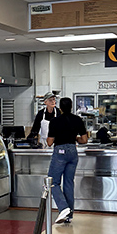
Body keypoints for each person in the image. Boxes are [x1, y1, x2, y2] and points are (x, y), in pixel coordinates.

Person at [46, 96, 88, 224]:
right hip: (73, 152)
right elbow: (84, 140)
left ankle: (63, 208)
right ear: (71, 107)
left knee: (52, 182)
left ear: (60, 108)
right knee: (69, 182)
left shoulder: (54, 121)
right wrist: (74, 138)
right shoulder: (78, 120)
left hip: (60, 152)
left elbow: (49, 142)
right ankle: (69, 215)